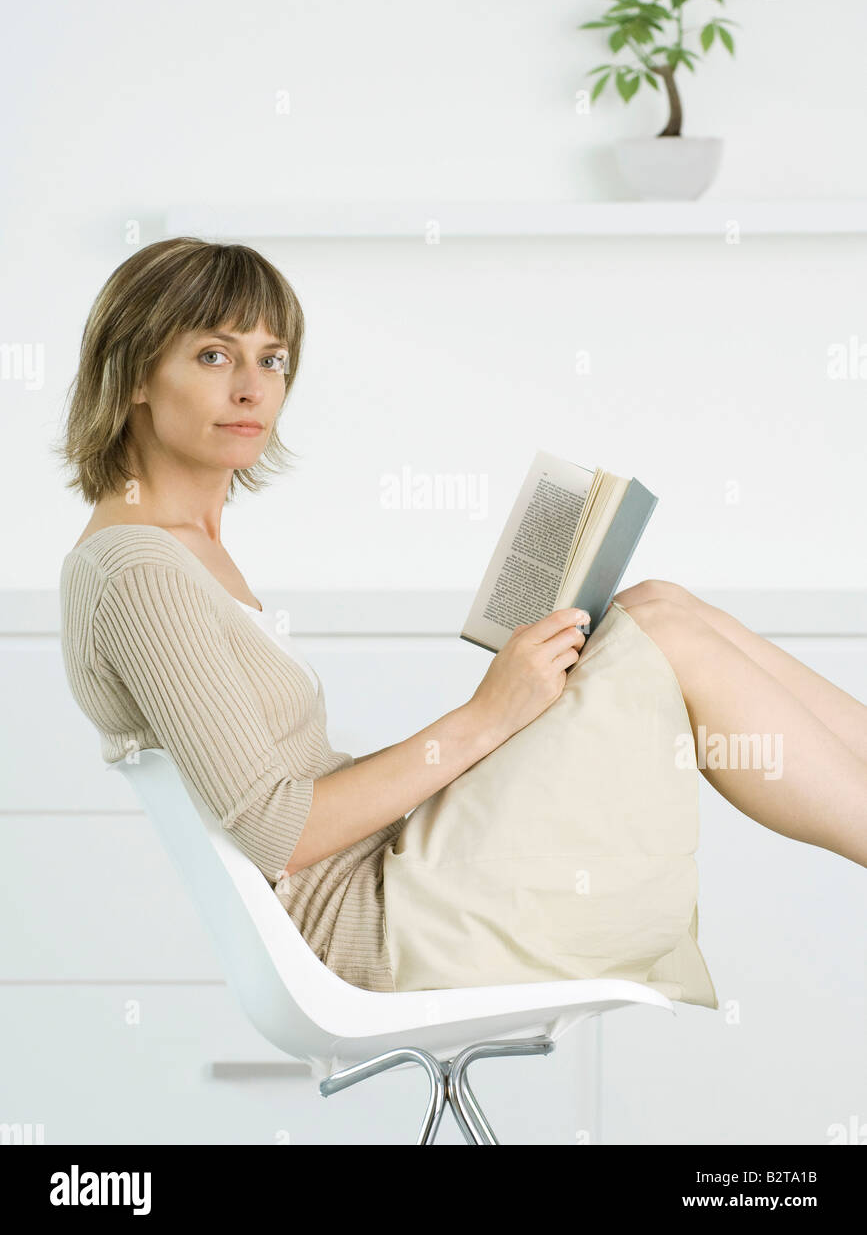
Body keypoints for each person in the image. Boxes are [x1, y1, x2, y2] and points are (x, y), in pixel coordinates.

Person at [55, 238, 867, 1007]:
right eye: (213, 355)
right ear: (132, 373)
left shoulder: (184, 554)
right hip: (373, 927)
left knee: (655, 604)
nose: (252, 388)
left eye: (271, 360)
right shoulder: (138, 571)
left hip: (393, 873)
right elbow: (277, 831)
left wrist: (506, 716)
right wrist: (487, 716)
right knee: (670, 638)